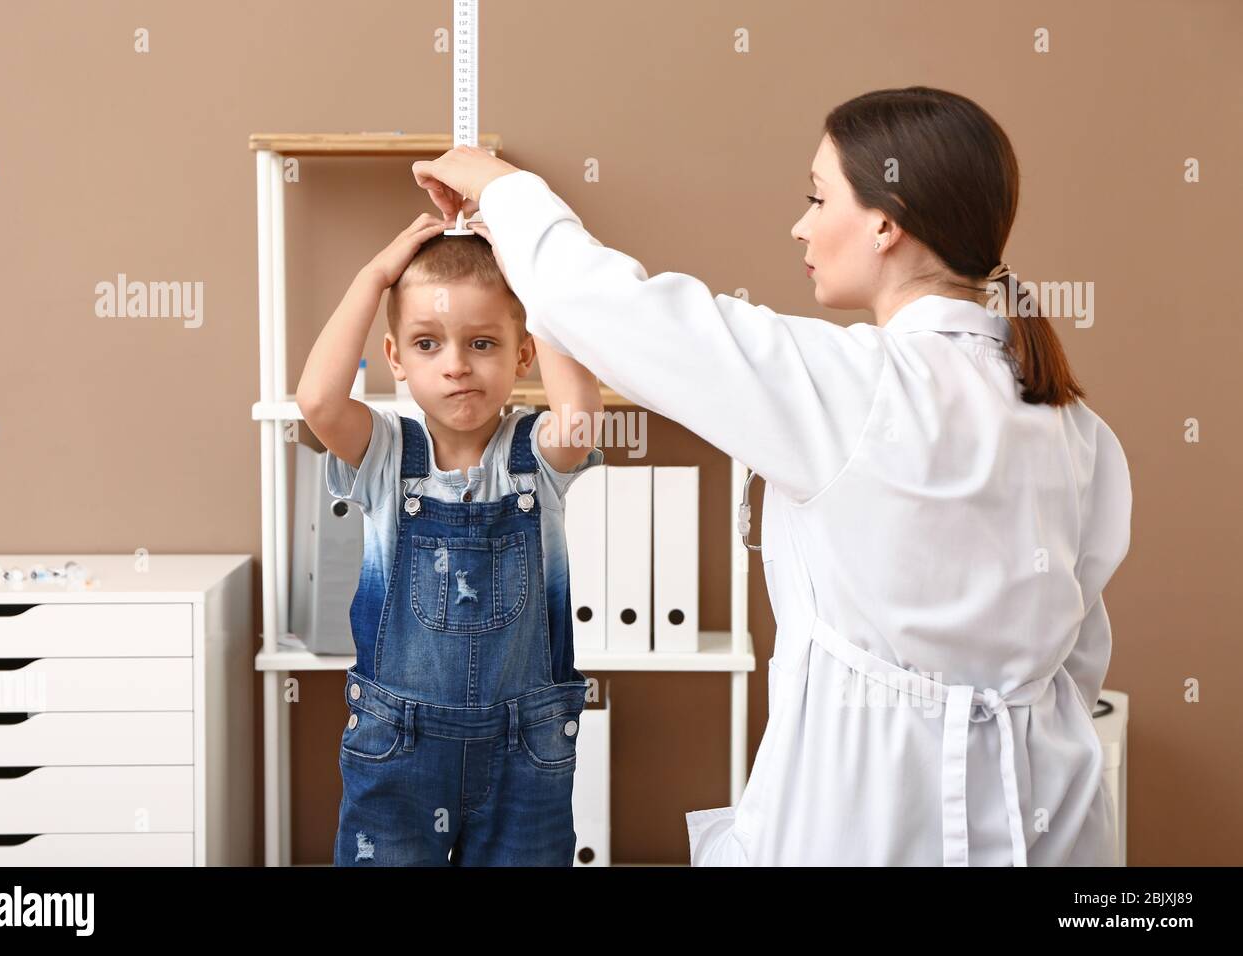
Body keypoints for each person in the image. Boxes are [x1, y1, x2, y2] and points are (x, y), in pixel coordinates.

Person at [411, 85, 1133, 866]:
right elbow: (1079, 655)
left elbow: (617, 312)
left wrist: (504, 188)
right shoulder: (1074, 425)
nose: (801, 224)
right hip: (1053, 820)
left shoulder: (857, 389)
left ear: (886, 222)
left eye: (819, 198)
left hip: (871, 824)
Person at [297, 223, 604, 865]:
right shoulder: (385, 453)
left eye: (483, 342)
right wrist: (374, 276)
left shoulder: (537, 457)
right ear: (395, 358)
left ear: (524, 354)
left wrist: (533, 281)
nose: (457, 364)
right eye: (427, 343)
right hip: (398, 751)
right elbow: (319, 401)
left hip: (525, 756)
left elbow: (578, 414)